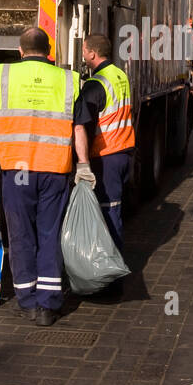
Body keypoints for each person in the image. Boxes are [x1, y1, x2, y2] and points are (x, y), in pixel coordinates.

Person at [0, 26, 77, 327]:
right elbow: (78, 127)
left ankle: (27, 300)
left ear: (20, 51)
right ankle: (49, 305)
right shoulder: (68, 79)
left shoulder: (3, 75)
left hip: (19, 171)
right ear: (49, 51)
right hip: (55, 168)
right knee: (49, 233)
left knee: (22, 232)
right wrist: (86, 165)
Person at [73, 33, 135, 266]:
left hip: (105, 155)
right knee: (114, 211)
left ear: (92, 53)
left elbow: (82, 124)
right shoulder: (120, 75)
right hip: (123, 151)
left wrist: (80, 162)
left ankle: (111, 273)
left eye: (84, 51)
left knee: (108, 215)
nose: (83, 55)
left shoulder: (95, 84)